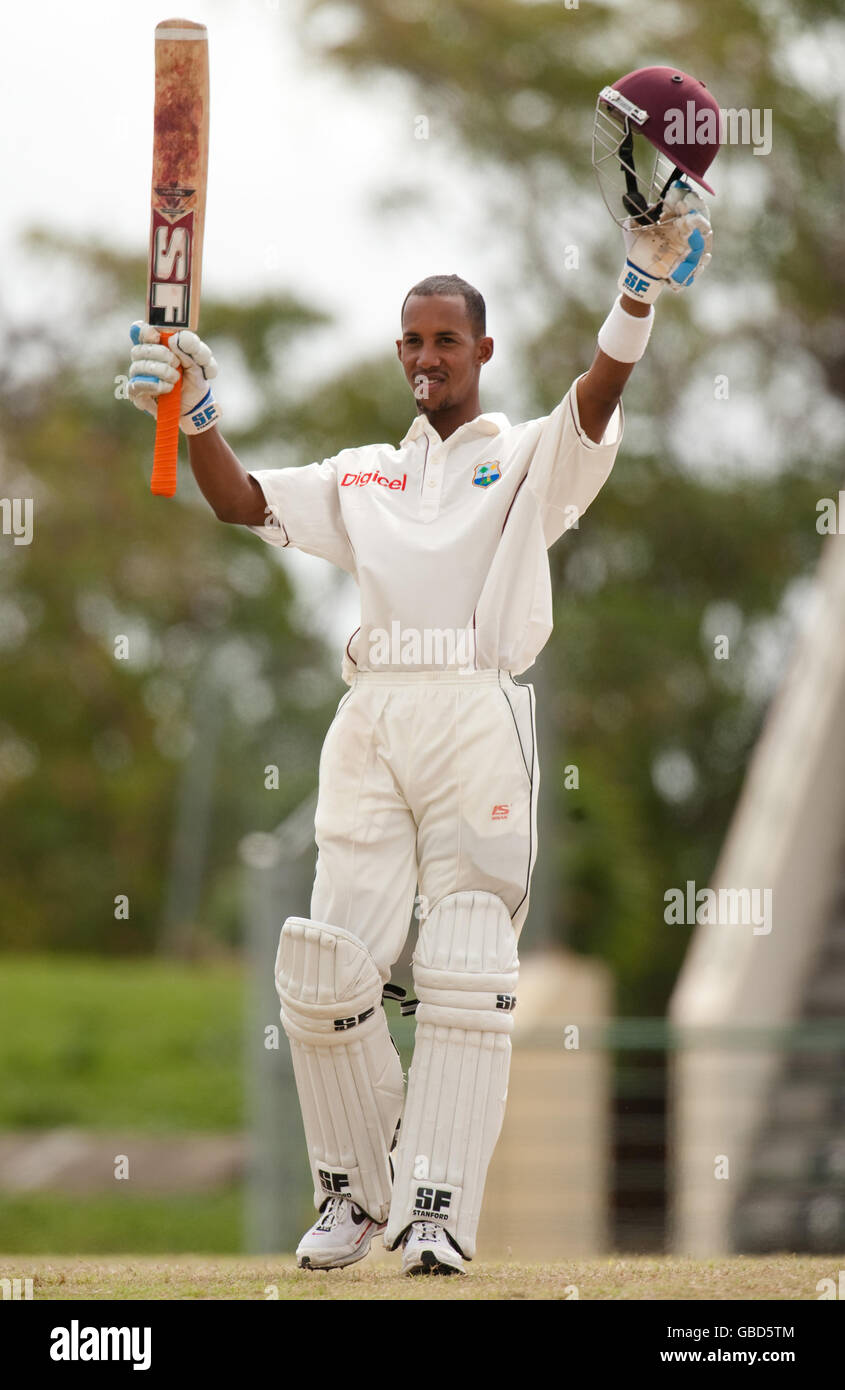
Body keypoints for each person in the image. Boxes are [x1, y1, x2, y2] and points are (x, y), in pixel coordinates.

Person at [127, 155, 712, 1275]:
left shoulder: (525, 460)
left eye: (445, 339)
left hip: (473, 705)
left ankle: (434, 1206)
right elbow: (241, 501)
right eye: (410, 339)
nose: (425, 356)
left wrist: (635, 287)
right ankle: (352, 1193)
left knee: (462, 955)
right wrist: (194, 410)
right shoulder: (363, 477)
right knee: (324, 960)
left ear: (480, 352)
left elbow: (595, 397)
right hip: (373, 712)